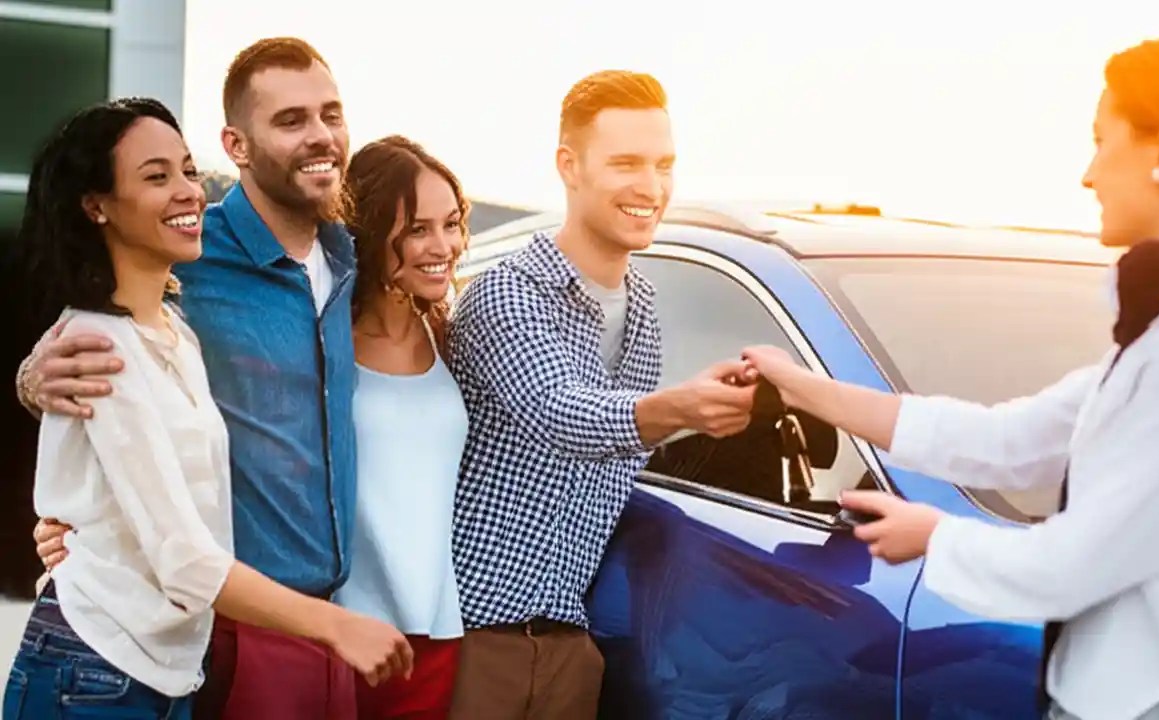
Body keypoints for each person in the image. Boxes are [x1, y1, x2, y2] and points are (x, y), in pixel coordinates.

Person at [742, 28, 1159, 720]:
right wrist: (801, 385)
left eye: (1101, 139)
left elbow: (1072, 564)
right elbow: (1007, 438)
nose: (1088, 174)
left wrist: (935, 534)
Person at [1, 99, 411, 720]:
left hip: (165, 674)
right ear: (96, 205)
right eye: (155, 176)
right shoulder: (95, 348)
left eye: (188, 171)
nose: (187, 192)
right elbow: (185, 560)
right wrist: (335, 627)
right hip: (92, 674)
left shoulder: (173, 331)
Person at [445, 69, 758, 720]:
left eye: (663, 164)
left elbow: (627, 463)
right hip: (475, 638)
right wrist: (680, 408)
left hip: (572, 645)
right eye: (625, 163)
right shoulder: (507, 294)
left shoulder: (644, 305)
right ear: (570, 166)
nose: (651, 187)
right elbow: (565, 413)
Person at [334, 135, 470, 719]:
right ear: (370, 233)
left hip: (435, 633)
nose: (443, 246)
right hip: (339, 630)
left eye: (452, 224)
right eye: (418, 229)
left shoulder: (452, 338)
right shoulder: (321, 339)